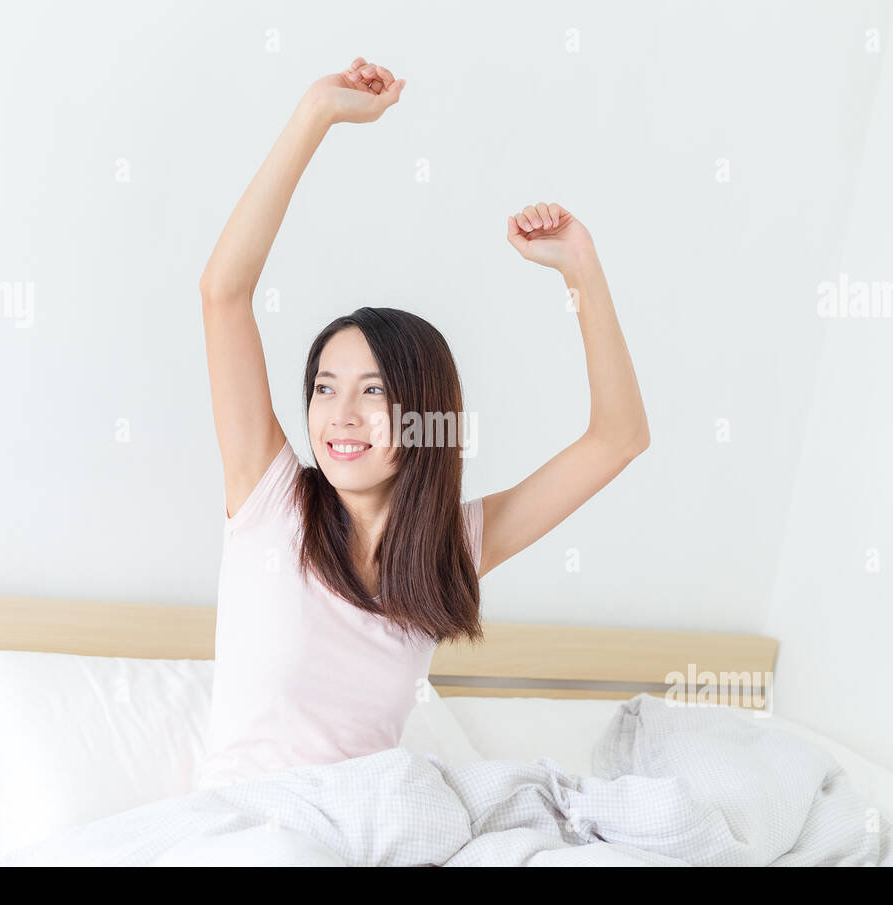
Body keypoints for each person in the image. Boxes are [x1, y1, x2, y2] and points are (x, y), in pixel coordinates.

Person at [196, 57, 649, 789]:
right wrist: (316, 112)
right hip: (253, 834)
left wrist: (582, 272)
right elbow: (223, 294)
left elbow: (618, 440)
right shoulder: (268, 503)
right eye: (324, 388)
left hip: (375, 831)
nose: (340, 415)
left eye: (372, 391)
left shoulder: (448, 549)